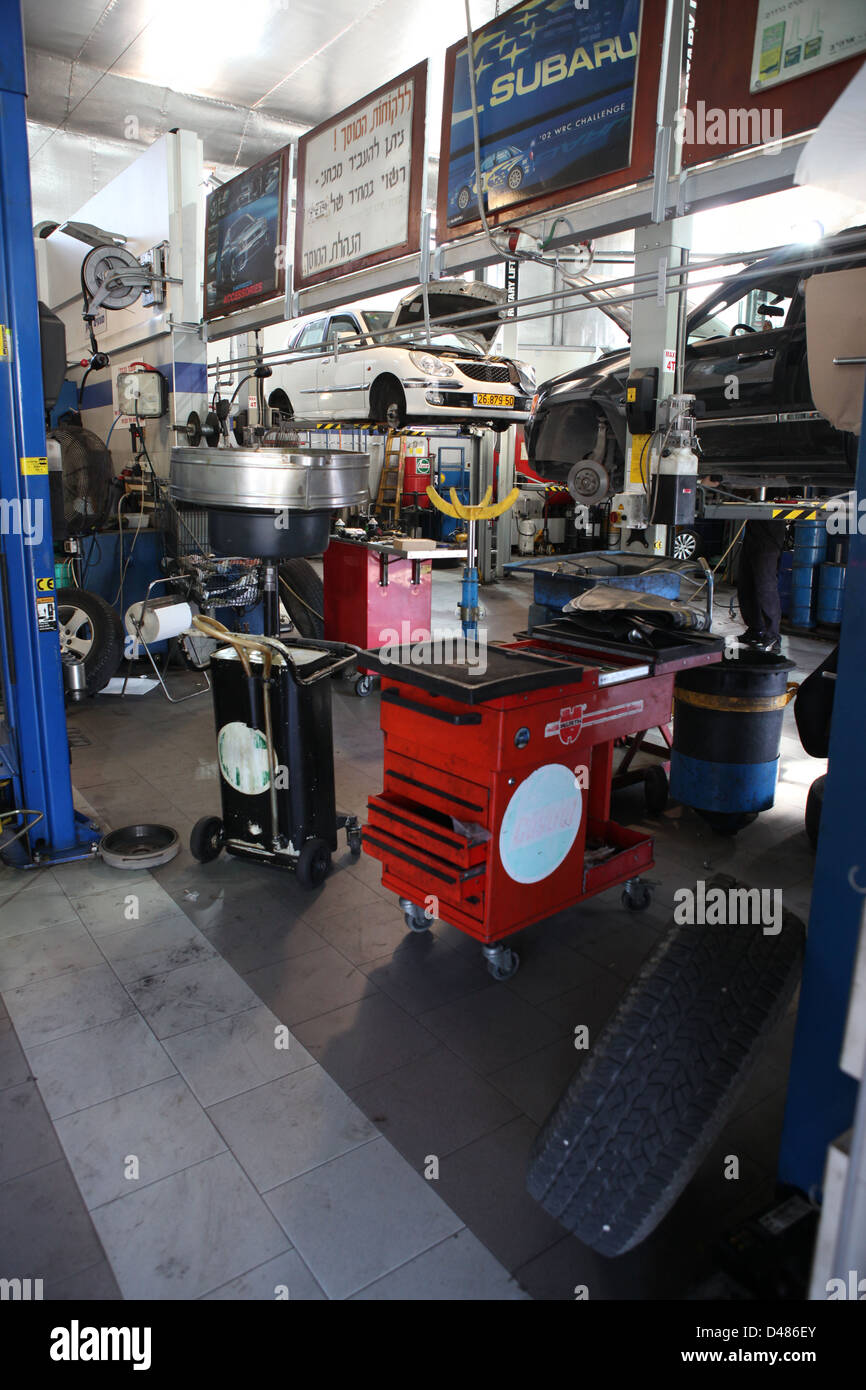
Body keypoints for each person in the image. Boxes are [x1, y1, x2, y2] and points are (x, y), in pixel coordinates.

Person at [737, 519, 787, 653]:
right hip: (752, 534)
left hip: (769, 536)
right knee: (746, 584)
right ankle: (755, 629)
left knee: (765, 587)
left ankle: (773, 636)